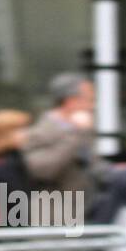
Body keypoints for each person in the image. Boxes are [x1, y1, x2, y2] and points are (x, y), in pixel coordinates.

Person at [21, 73, 99, 219]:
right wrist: (75, 135)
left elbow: (91, 166)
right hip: (53, 218)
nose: (92, 106)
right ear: (70, 101)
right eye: (89, 100)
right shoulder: (42, 131)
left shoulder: (82, 131)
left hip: (84, 213)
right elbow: (42, 171)